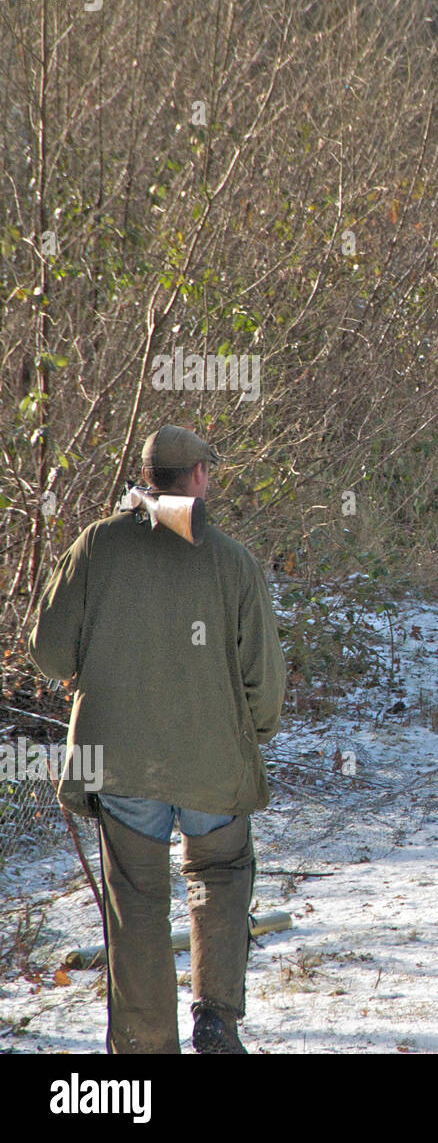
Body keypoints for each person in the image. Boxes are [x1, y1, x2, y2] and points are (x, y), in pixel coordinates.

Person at [29, 425, 286, 1053]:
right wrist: (251, 734)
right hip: (213, 763)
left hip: (118, 765)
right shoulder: (233, 562)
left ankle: (145, 1053)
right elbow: (264, 681)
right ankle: (217, 1018)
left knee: (137, 904)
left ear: (147, 478)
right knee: (221, 876)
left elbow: (47, 653)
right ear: (197, 476)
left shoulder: (96, 547)